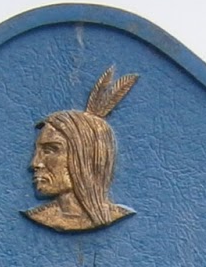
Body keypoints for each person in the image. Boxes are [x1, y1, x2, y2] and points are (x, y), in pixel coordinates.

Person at [25, 66, 138, 232]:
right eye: (37, 151)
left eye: (50, 150)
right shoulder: (37, 217)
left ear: (86, 156)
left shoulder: (119, 215)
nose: (35, 163)